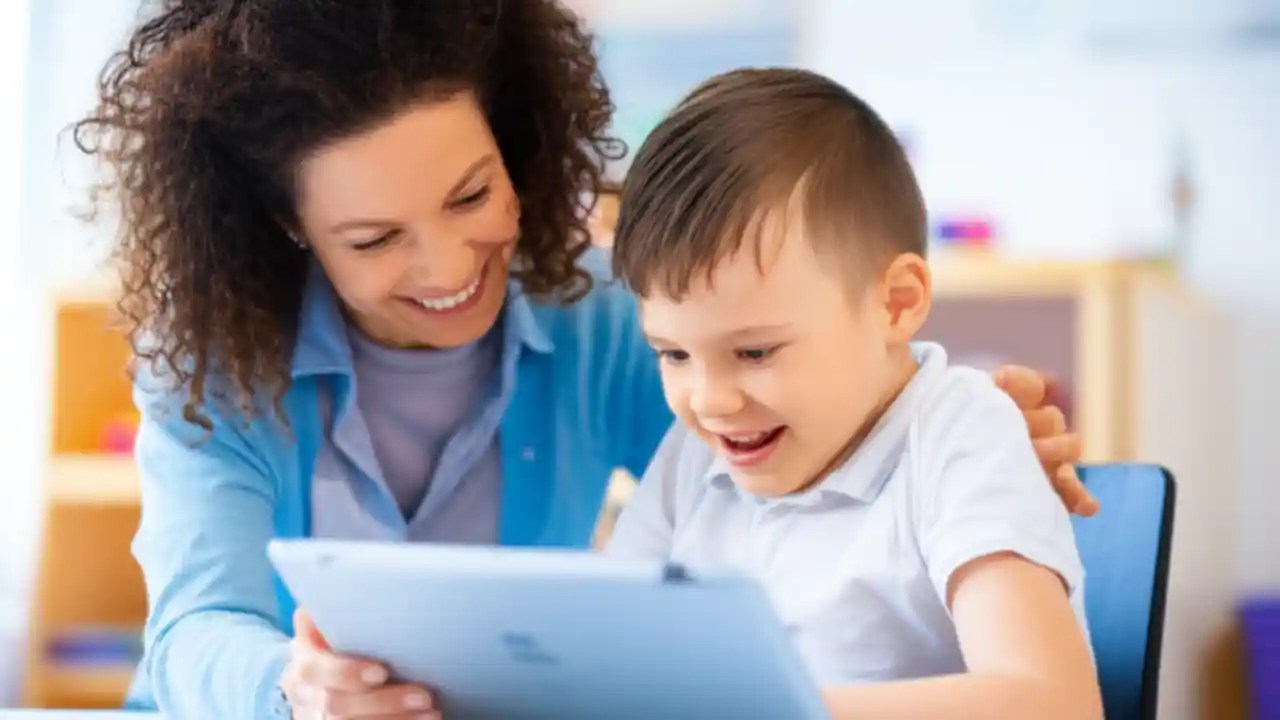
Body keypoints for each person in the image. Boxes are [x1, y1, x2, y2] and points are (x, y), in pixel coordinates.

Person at [73, 1, 1093, 717]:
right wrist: (297, 694)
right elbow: (196, 629)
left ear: (517, 148)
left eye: (471, 198)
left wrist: (951, 430)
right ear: (288, 228)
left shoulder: (620, 330)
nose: (445, 269)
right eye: (374, 240)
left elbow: (800, 443)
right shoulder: (213, 365)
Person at [604, 67, 1103, 719]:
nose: (710, 399)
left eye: (754, 351)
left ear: (896, 304)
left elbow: (1053, 704)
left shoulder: (961, 431)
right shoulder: (697, 455)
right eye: (673, 354)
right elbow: (606, 656)